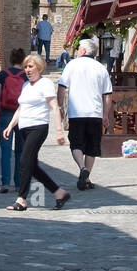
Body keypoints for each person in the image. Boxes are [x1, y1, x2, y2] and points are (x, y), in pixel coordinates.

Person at [2, 54, 70, 211]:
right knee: (32, 166)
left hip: (38, 127)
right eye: (25, 67)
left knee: (24, 161)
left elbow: (54, 106)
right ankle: (60, 193)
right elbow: (21, 107)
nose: (27, 70)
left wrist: (58, 131)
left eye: (31, 66)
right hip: (24, 128)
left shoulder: (45, 83)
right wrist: (10, 125)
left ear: (39, 68)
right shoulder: (26, 85)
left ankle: (21, 199)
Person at [57, 38, 114, 191]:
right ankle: (87, 178)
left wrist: (60, 108)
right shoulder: (101, 68)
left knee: (76, 144)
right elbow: (108, 94)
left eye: (78, 49)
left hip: (76, 113)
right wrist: (105, 114)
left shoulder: (71, 65)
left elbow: (61, 88)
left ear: (82, 51)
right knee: (92, 147)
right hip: (95, 113)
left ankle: (82, 169)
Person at [0, 48, 27, 193]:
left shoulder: (2, 75)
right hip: (22, 115)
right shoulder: (26, 77)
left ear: (10, 59)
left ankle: (5, 183)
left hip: (6, 114)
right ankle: (19, 184)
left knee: (5, 151)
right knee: (20, 151)